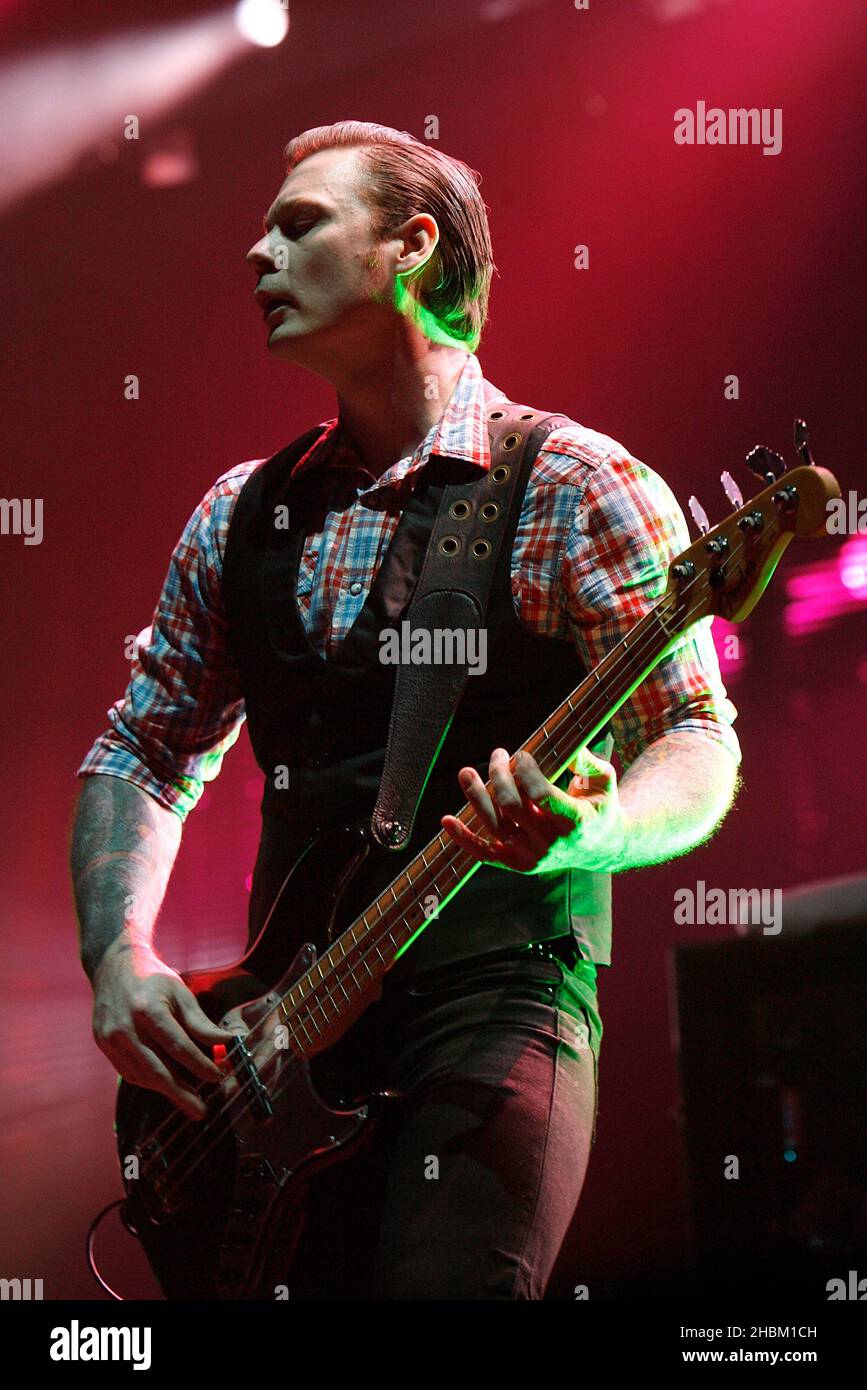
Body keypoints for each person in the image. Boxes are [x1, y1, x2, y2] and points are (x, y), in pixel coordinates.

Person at [70, 121, 741, 1300]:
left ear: (411, 246)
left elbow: (694, 737)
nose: (254, 252)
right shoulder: (241, 513)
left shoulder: (575, 483)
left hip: (497, 994)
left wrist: (593, 829)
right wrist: (116, 955)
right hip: (282, 1041)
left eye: (298, 223)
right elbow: (143, 746)